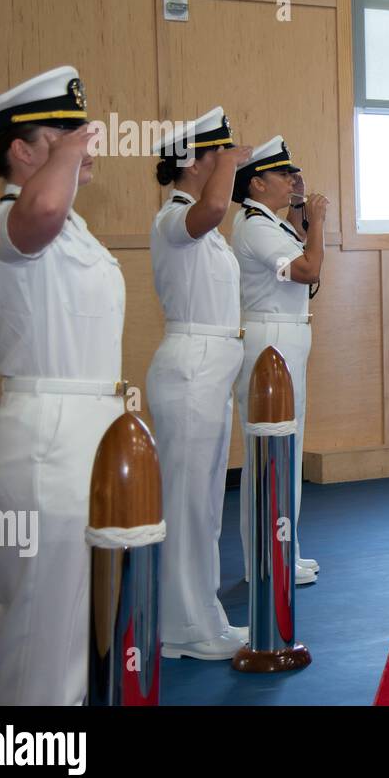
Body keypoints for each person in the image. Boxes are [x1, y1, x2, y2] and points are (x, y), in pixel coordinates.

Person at [0, 66, 125, 704]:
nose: (83, 144)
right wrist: (72, 149)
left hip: (87, 435)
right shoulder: (2, 225)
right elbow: (45, 207)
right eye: (61, 133)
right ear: (21, 150)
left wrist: (66, 145)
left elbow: (57, 210)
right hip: (45, 442)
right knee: (39, 620)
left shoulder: (75, 231)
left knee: (72, 621)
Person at [147, 107, 250, 660]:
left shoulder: (199, 222)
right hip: (189, 364)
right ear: (193, 163)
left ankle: (203, 614)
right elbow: (214, 206)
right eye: (219, 155)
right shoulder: (175, 217)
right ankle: (180, 629)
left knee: (206, 502)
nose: (227, 168)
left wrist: (227, 159)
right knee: (186, 503)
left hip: (211, 364)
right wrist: (234, 162)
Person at [231, 137, 327, 586]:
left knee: (286, 450)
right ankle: (266, 561)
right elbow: (306, 269)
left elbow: (298, 244)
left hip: (286, 335)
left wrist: (301, 208)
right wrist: (320, 222)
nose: (292, 179)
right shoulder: (254, 225)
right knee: (270, 455)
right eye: (283, 174)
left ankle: (283, 550)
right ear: (257, 182)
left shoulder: (272, 221)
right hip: (270, 340)